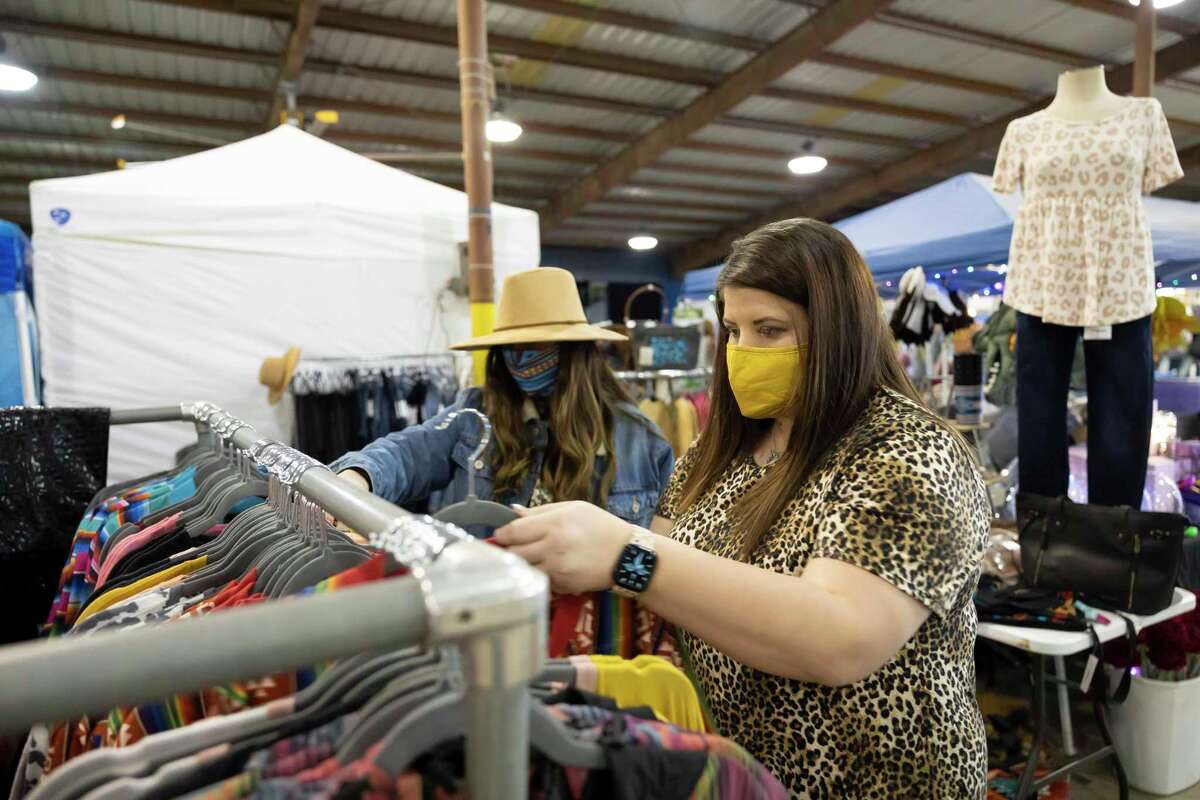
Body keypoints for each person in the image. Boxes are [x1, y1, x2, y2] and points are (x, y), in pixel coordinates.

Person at [495, 220, 991, 798]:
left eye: (770, 330)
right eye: (732, 330)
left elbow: (841, 638)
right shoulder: (722, 449)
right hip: (735, 775)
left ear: (839, 331)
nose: (743, 352)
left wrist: (624, 554)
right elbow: (670, 585)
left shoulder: (907, 451)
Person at [332, 266, 677, 659]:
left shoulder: (640, 441)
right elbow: (409, 451)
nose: (519, 359)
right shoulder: (474, 416)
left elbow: (660, 555)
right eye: (510, 348)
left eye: (535, 346)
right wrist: (357, 477)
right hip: (487, 628)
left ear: (574, 352)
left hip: (594, 644)